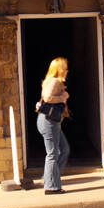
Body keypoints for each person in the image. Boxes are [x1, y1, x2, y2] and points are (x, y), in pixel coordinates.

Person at [36, 57, 71, 194]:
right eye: (66, 68)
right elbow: (47, 98)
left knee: (64, 149)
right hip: (48, 121)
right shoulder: (55, 81)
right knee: (52, 154)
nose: (67, 71)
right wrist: (63, 97)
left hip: (49, 121)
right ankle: (51, 186)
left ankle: (49, 178)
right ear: (60, 68)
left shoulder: (50, 81)